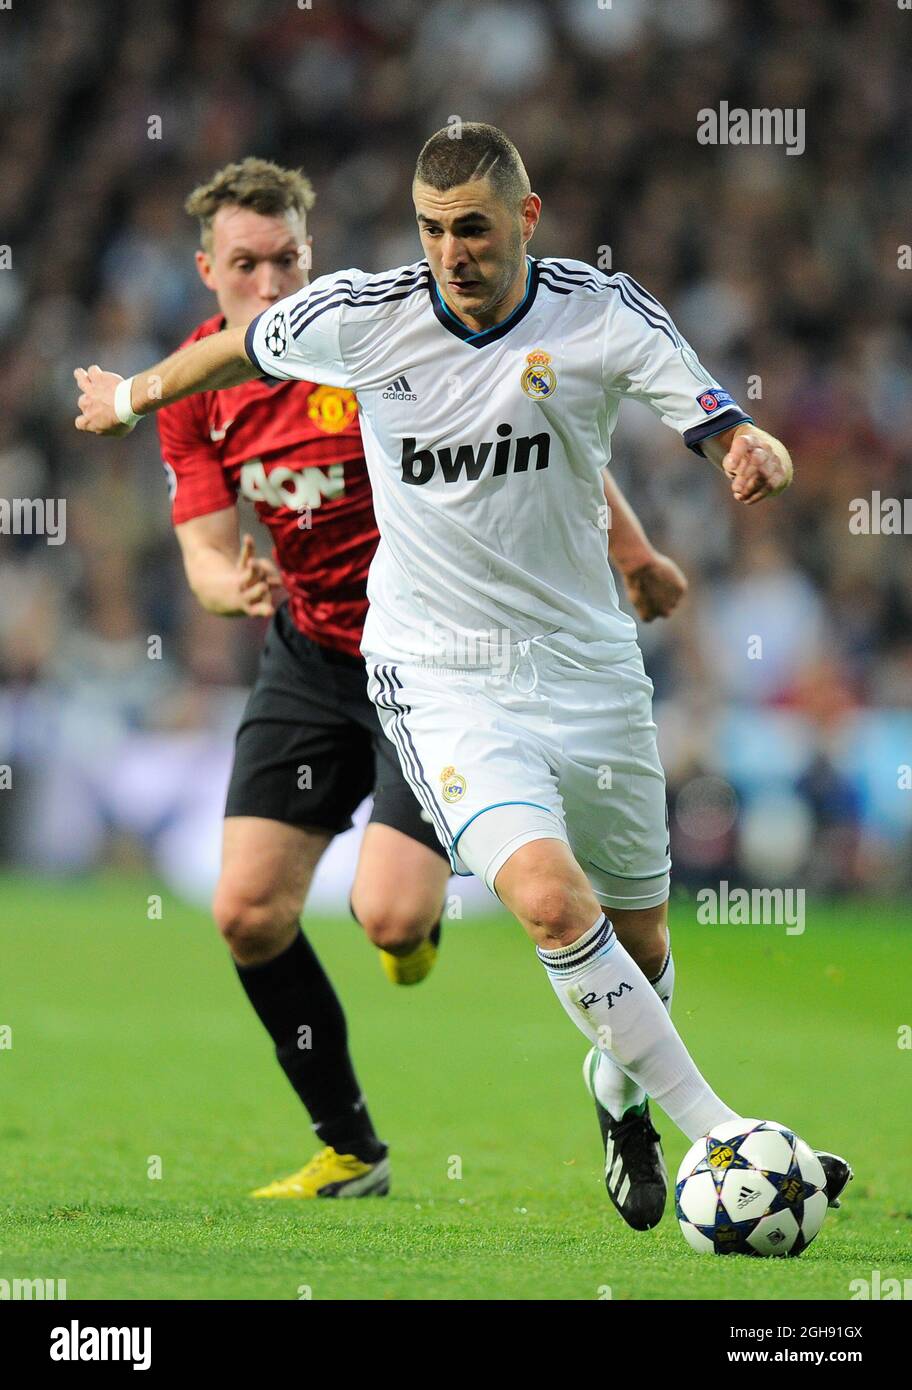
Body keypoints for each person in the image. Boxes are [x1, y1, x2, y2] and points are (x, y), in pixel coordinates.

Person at [74, 126, 850, 1229]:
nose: (451, 252)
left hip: (587, 668)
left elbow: (698, 408)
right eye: (433, 230)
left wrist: (738, 446)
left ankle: (617, 1087)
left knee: (640, 945)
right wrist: (134, 395)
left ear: (524, 221)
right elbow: (235, 351)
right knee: (541, 898)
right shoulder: (362, 317)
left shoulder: (598, 311)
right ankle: (720, 1131)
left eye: (474, 228)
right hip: (433, 674)